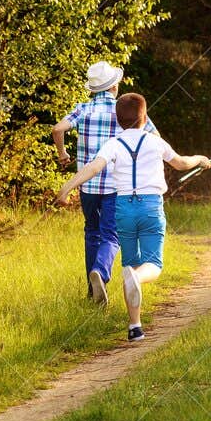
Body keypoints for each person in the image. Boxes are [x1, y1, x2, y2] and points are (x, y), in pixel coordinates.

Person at [57, 93, 210, 340]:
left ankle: (135, 326)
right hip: (150, 207)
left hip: (123, 209)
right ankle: (137, 278)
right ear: (144, 117)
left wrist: (68, 187)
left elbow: (93, 167)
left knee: (130, 263)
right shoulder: (155, 141)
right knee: (152, 265)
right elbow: (181, 163)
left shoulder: (114, 143)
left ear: (118, 120)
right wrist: (200, 159)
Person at [52, 61, 127, 305]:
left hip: (87, 187)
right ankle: (101, 273)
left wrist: (62, 153)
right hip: (115, 187)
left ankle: (91, 290)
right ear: (114, 86)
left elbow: (57, 128)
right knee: (111, 236)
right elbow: (151, 136)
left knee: (92, 232)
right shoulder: (122, 111)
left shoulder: (83, 109)